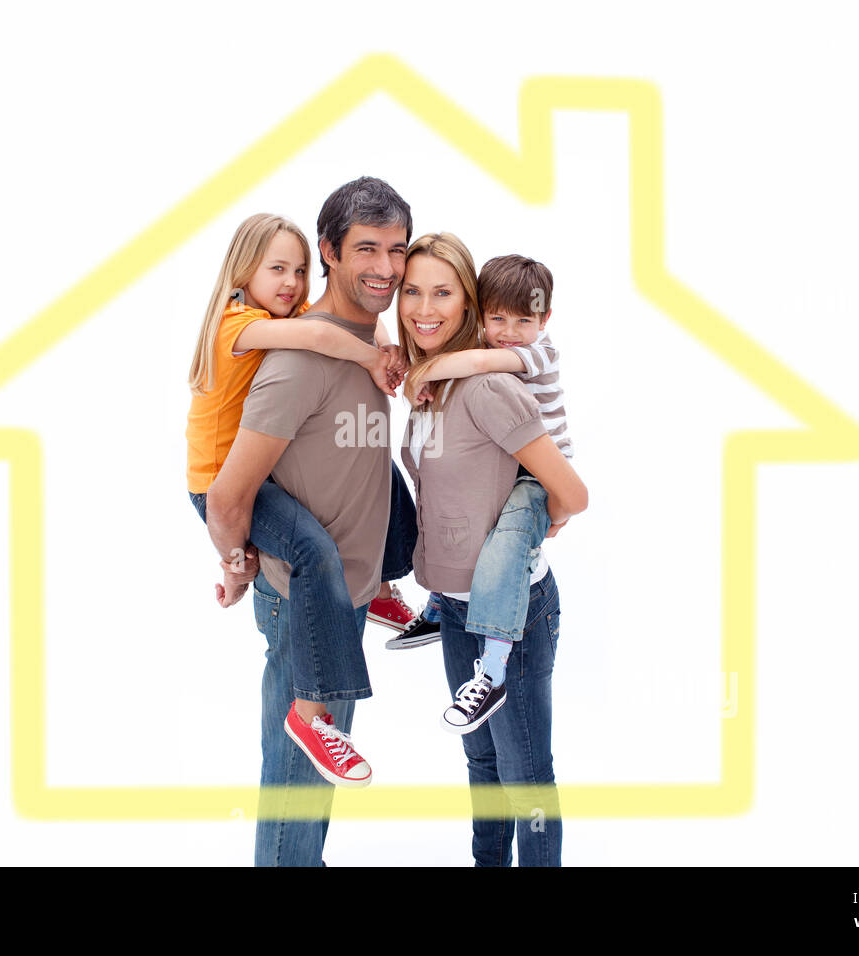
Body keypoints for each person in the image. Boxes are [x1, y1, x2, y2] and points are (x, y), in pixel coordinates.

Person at [206, 177, 412, 866]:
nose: (386, 267)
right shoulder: (299, 356)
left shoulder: (369, 334)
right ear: (329, 251)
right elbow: (231, 496)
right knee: (298, 790)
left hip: (346, 592)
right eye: (366, 249)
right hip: (305, 596)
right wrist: (237, 569)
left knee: (315, 787)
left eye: (398, 249)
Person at [397, 232, 588, 867]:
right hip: (456, 607)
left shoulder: (487, 380)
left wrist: (543, 519)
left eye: (443, 293)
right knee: (481, 755)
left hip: (515, 610)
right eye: (412, 292)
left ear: (464, 304)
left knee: (525, 773)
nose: (426, 307)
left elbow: (571, 492)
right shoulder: (433, 388)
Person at [397, 254, 573, 734]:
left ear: (545, 320)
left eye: (524, 320)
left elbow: (477, 359)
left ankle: (493, 669)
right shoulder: (474, 363)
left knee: (503, 548)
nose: (509, 332)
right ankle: (437, 604)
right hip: (513, 468)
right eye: (497, 318)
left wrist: (424, 370)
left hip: (536, 476)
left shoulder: (535, 353)